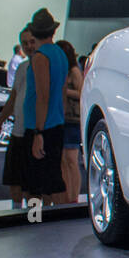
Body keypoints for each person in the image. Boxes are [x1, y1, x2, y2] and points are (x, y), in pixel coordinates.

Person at [23, 8, 69, 204]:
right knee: (53, 177)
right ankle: (58, 224)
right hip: (56, 122)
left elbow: (43, 96)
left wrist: (38, 133)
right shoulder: (60, 53)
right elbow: (62, 92)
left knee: (36, 183)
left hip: (41, 126)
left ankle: (36, 221)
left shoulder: (40, 57)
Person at [0, 27, 36, 208]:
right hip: (18, 133)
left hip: (35, 133)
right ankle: (16, 218)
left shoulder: (46, 66)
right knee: (14, 181)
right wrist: (0, 122)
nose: (29, 46)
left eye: (32, 42)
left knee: (33, 185)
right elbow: (14, 96)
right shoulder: (23, 67)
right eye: (25, 43)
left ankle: (35, 220)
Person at [57, 39, 83, 204]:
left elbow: (81, 93)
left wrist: (65, 91)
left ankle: (73, 196)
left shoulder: (74, 71)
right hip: (63, 119)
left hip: (73, 120)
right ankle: (67, 195)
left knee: (71, 160)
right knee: (64, 161)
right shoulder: (65, 71)